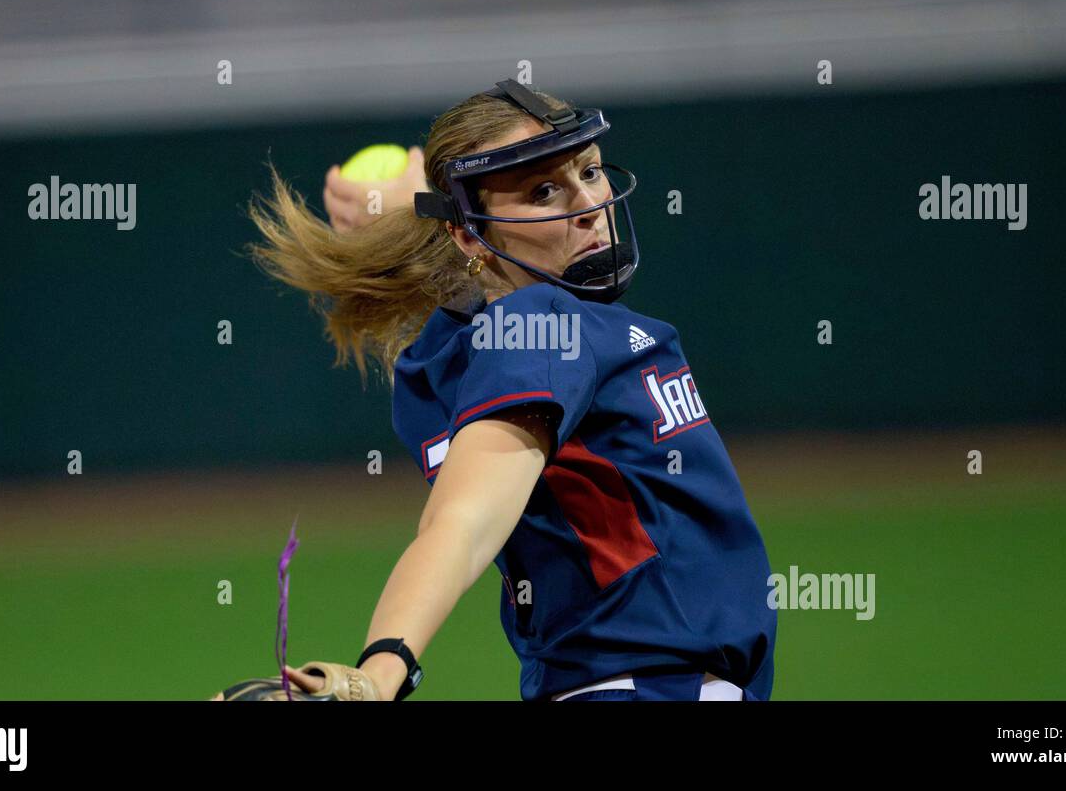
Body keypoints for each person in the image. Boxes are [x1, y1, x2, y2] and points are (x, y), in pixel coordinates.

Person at [247, 80, 776, 701]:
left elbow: (469, 297)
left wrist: (412, 210)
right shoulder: (542, 328)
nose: (588, 203)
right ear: (470, 235)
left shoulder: (475, 344)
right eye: (543, 190)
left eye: (590, 170)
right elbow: (463, 520)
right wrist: (381, 669)